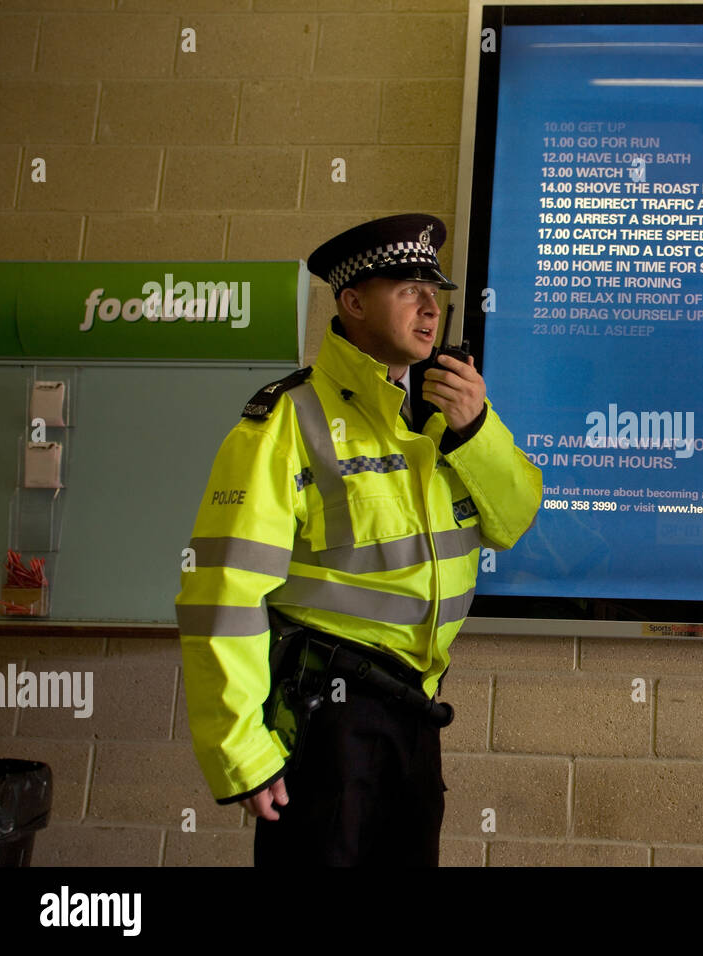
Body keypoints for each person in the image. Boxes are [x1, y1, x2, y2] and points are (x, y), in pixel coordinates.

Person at [175, 213, 543, 866]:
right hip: (329, 721)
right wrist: (244, 755)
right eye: (408, 287)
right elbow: (222, 594)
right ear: (352, 301)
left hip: (417, 718)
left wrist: (476, 429)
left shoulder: (444, 417)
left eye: (435, 290)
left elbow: (513, 520)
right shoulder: (288, 420)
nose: (431, 306)